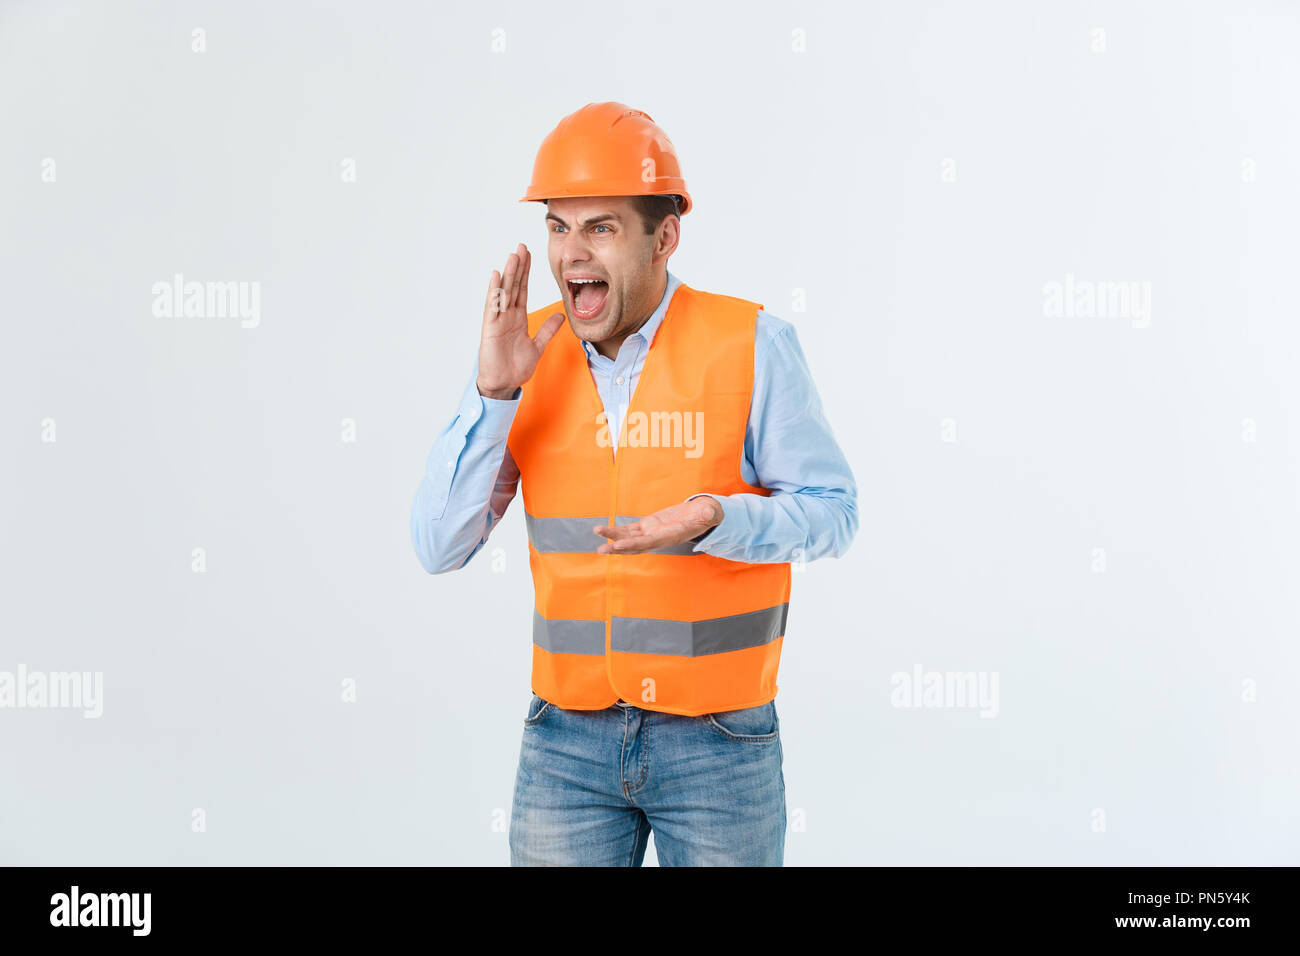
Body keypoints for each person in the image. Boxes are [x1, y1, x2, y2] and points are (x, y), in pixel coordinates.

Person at [410, 102, 858, 866]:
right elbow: (437, 547)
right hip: (565, 742)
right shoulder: (525, 352)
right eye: (558, 227)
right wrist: (493, 395)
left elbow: (832, 514)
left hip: (719, 740)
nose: (570, 254)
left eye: (602, 228)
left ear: (665, 236)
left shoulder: (751, 344)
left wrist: (719, 517)